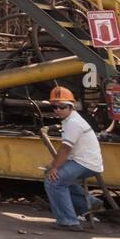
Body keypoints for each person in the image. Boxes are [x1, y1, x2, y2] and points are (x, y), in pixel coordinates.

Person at [44, 86, 105, 231]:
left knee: (54, 180)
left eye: (62, 107)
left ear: (71, 107)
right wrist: (52, 167)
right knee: (52, 175)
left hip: (85, 163)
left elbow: (65, 149)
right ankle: (88, 202)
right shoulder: (69, 119)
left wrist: (55, 167)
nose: (58, 110)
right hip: (83, 160)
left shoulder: (73, 123)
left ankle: (68, 222)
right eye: (55, 107)